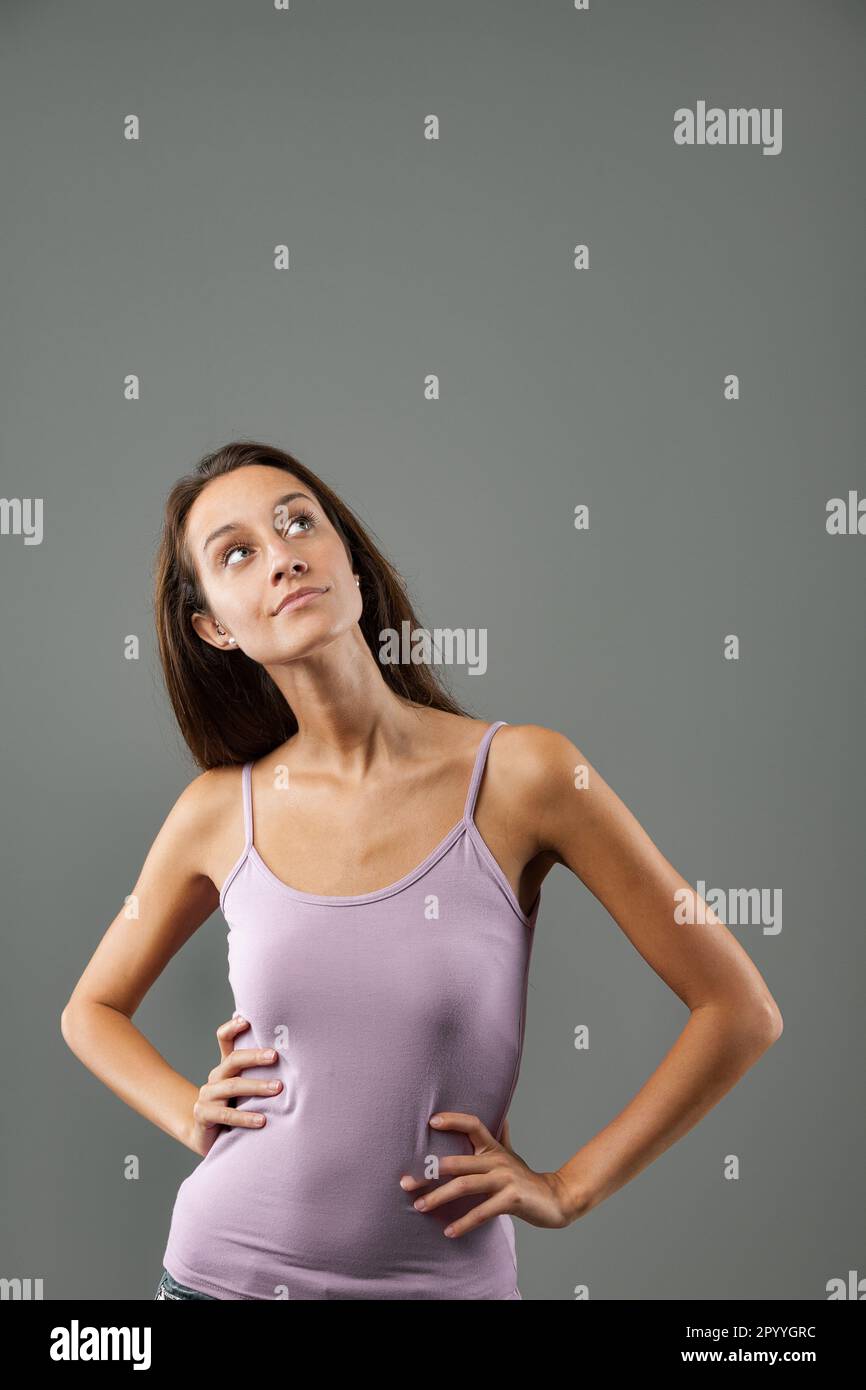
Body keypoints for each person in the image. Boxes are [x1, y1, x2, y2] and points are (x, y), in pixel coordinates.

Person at [61, 440, 783, 1301]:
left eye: (299, 523)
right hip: (222, 1280)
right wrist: (190, 1112)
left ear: (353, 570)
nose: (283, 553)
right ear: (215, 626)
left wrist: (569, 1186)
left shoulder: (528, 775)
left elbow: (739, 1010)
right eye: (237, 552)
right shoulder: (218, 813)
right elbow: (89, 1011)